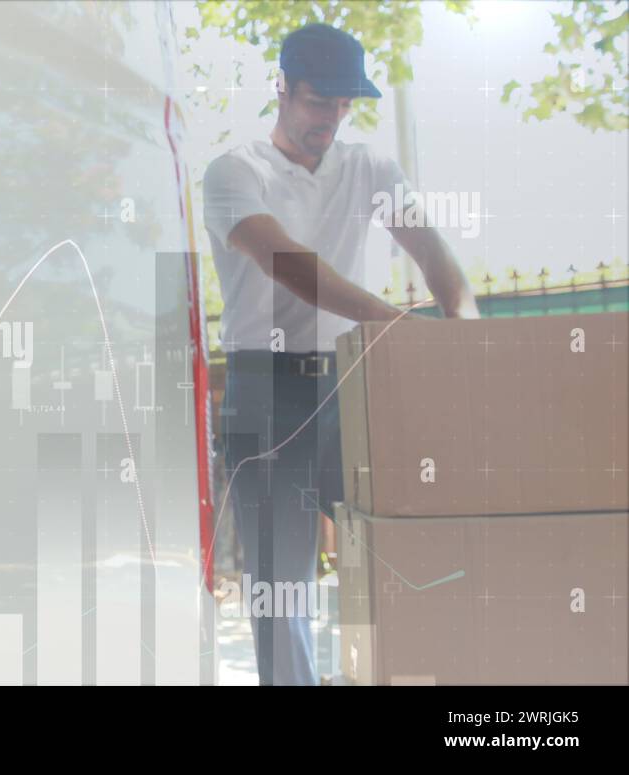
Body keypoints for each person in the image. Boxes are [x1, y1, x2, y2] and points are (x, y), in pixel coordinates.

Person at [202, 22, 479, 685]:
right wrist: (392, 320)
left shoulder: (371, 168)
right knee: (281, 584)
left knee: (410, 541)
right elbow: (289, 265)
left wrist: (471, 337)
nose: (331, 117)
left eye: (343, 104)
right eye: (317, 101)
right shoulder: (233, 171)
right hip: (264, 389)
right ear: (282, 88)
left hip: (353, 382)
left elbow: (440, 262)